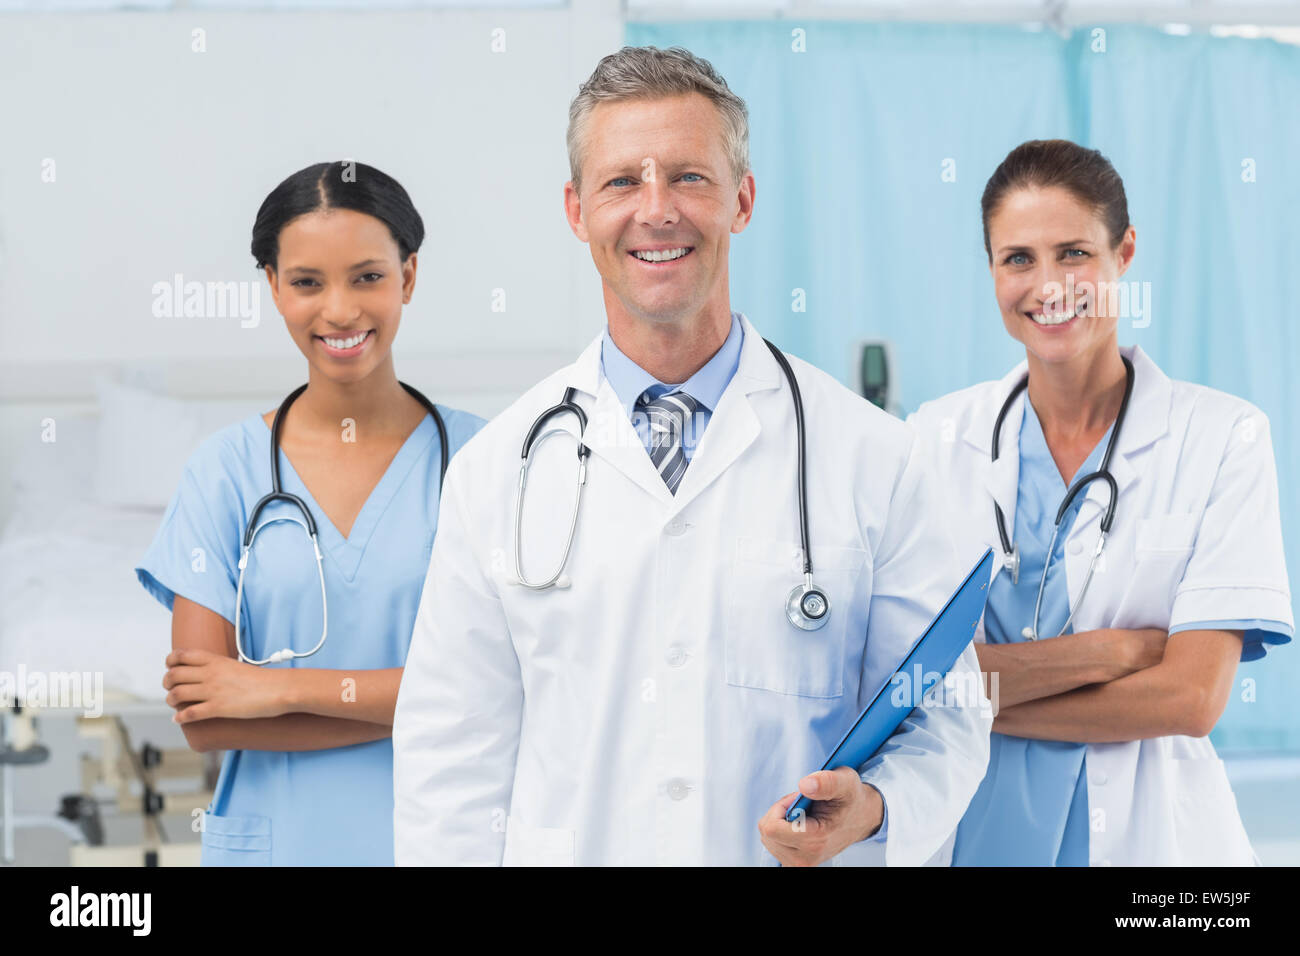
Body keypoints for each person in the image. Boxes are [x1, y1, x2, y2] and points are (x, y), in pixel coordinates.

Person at [392, 46, 991, 867]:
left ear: (742, 201)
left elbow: (947, 710)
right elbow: (449, 764)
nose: (657, 210)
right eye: (621, 183)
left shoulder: (876, 458)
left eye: (689, 177)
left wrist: (878, 807)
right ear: (576, 209)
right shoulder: (498, 472)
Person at [909, 139, 1293, 866]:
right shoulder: (936, 438)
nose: (1047, 284)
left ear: (1125, 253)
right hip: (968, 835)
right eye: (1017, 258)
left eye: (1074, 253)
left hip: (1151, 848)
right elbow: (905, 684)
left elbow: (1189, 699)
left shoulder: (1222, 437)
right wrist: (1113, 653)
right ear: (991, 271)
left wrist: (976, 699)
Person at [135, 161, 485, 865]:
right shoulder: (223, 473)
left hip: (440, 842)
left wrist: (271, 689)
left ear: (408, 277)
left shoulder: (485, 460)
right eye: (306, 282)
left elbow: (502, 688)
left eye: (367, 276)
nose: (340, 311)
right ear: (273, 287)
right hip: (277, 845)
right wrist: (423, 704)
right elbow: (204, 720)